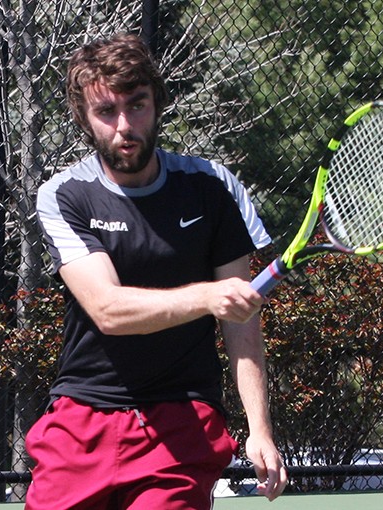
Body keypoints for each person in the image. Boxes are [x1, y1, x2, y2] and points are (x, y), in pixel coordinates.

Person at [26, 33, 287, 509]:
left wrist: (260, 430)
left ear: (157, 104)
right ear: (83, 118)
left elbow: (241, 321)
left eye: (137, 105)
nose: (125, 125)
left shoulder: (213, 188)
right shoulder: (65, 195)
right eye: (106, 112)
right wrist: (207, 297)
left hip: (181, 417)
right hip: (82, 417)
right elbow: (107, 309)